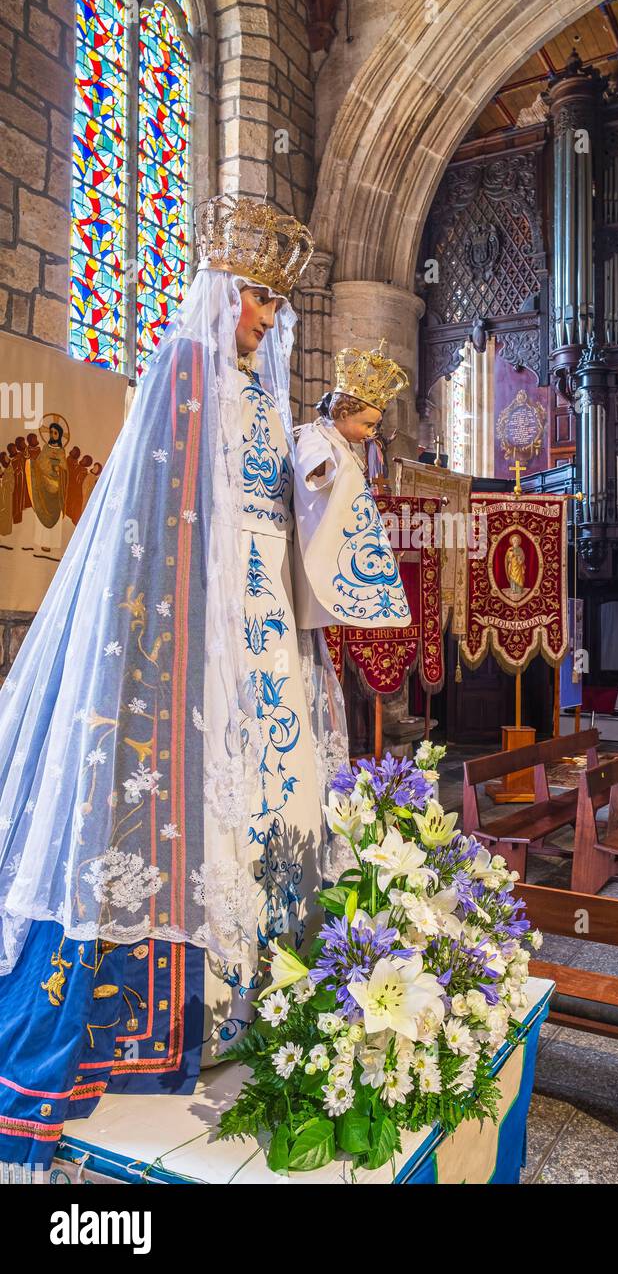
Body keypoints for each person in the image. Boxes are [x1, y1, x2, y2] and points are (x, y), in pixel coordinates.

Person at [0, 194, 370, 1170]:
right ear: (218, 291)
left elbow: (281, 514)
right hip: (197, 623)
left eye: (273, 305)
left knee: (274, 806)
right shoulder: (186, 367)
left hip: (264, 633)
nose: (264, 317)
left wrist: (325, 479)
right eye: (254, 297)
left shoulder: (260, 392)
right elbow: (155, 503)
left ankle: (261, 1003)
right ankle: (148, 1031)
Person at [293, 341, 412, 630]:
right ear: (343, 414)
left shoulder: (345, 445)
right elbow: (313, 469)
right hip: (321, 530)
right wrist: (323, 467)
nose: (371, 433)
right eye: (367, 425)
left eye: (374, 427)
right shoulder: (314, 434)